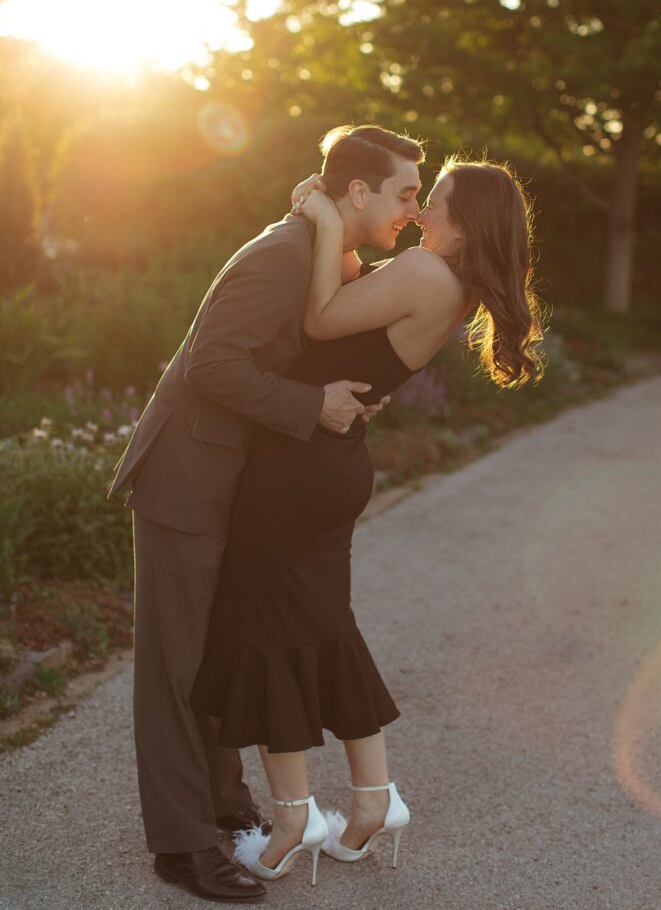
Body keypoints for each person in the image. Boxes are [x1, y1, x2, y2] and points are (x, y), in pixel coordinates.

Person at [190, 146, 545, 887]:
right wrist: (331, 226)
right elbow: (352, 302)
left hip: (296, 473)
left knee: (266, 631)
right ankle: (373, 798)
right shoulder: (446, 283)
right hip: (330, 466)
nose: (418, 210)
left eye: (432, 198)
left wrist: (325, 220)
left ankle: (292, 819)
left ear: (463, 220)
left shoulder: (422, 271)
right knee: (324, 624)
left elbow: (320, 320)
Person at [107, 124, 424, 902]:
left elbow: (315, 341)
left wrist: (347, 394)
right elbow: (210, 364)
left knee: (221, 654)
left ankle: (221, 805)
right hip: (187, 480)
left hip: (239, 482)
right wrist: (311, 405)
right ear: (358, 191)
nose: (414, 212)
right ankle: (182, 845)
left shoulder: (320, 251)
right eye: (406, 194)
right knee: (177, 669)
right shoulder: (280, 256)